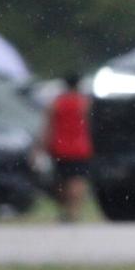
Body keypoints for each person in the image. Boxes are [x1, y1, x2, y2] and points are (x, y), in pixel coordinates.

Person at [44, 74, 93, 222]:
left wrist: (43, 145)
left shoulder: (56, 104)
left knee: (62, 180)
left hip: (60, 147)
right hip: (81, 147)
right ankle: (75, 211)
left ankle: (64, 210)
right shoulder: (85, 103)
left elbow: (48, 127)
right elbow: (92, 126)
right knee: (78, 180)